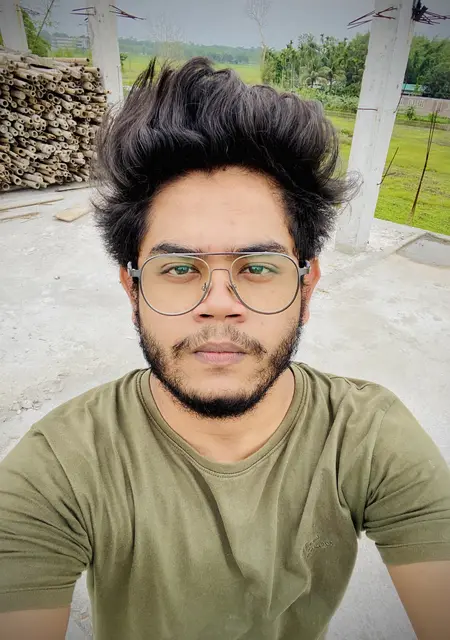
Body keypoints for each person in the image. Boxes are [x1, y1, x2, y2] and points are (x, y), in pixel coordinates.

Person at [0, 58, 449, 640]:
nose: (218, 304)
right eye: (178, 268)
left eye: (258, 267)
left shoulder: (368, 438)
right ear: (132, 291)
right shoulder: (59, 468)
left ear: (306, 288)